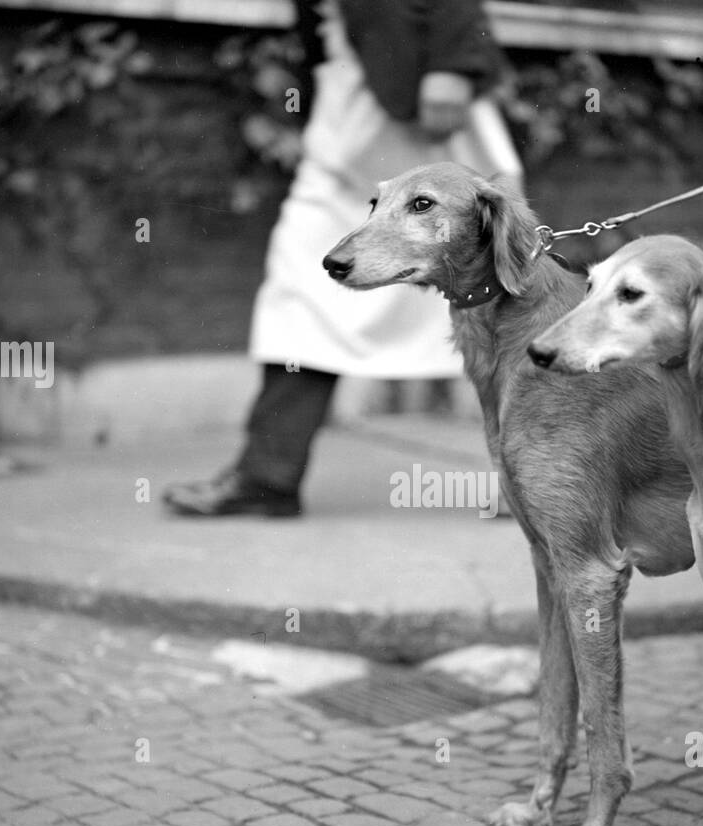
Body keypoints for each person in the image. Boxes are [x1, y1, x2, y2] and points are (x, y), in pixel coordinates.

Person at [163, 0, 521, 517]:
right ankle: (267, 476)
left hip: (430, 120)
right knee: (299, 292)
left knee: (499, 312)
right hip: (345, 127)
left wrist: (454, 63)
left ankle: (529, 480)